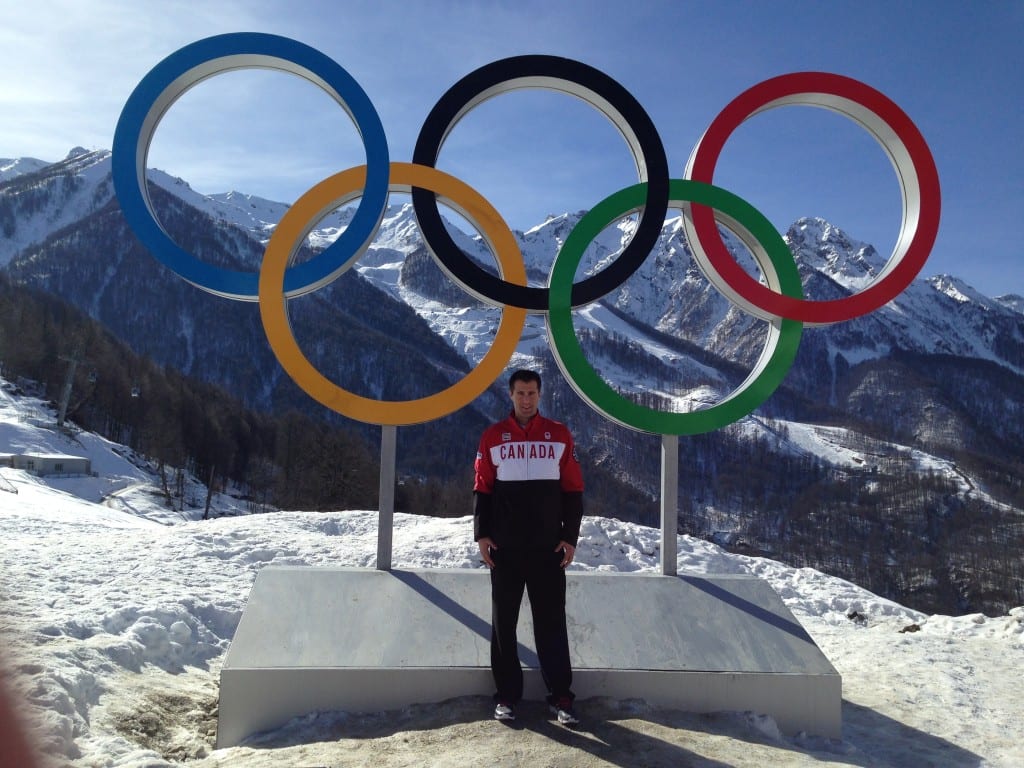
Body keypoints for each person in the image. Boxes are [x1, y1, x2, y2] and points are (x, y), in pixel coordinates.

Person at [473, 369, 584, 725]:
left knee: (551, 623)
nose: (526, 399)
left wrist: (571, 537)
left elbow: (573, 490)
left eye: (532, 393)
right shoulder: (492, 437)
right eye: (520, 393)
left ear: (540, 395)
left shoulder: (559, 435)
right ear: (510, 395)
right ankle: (507, 696)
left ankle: (562, 697)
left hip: (548, 548)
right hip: (505, 549)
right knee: (503, 624)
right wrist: (481, 534)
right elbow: (482, 488)